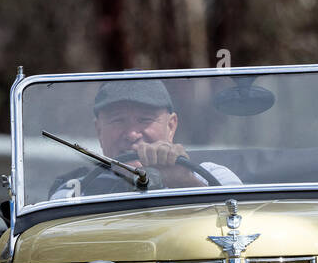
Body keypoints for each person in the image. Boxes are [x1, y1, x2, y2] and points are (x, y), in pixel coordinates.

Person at [50, 79, 241, 198]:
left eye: (145, 119)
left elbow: (240, 226)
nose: (132, 134)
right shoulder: (75, 193)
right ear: (99, 131)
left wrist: (183, 181)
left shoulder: (214, 179)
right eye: (118, 120)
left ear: (171, 126)